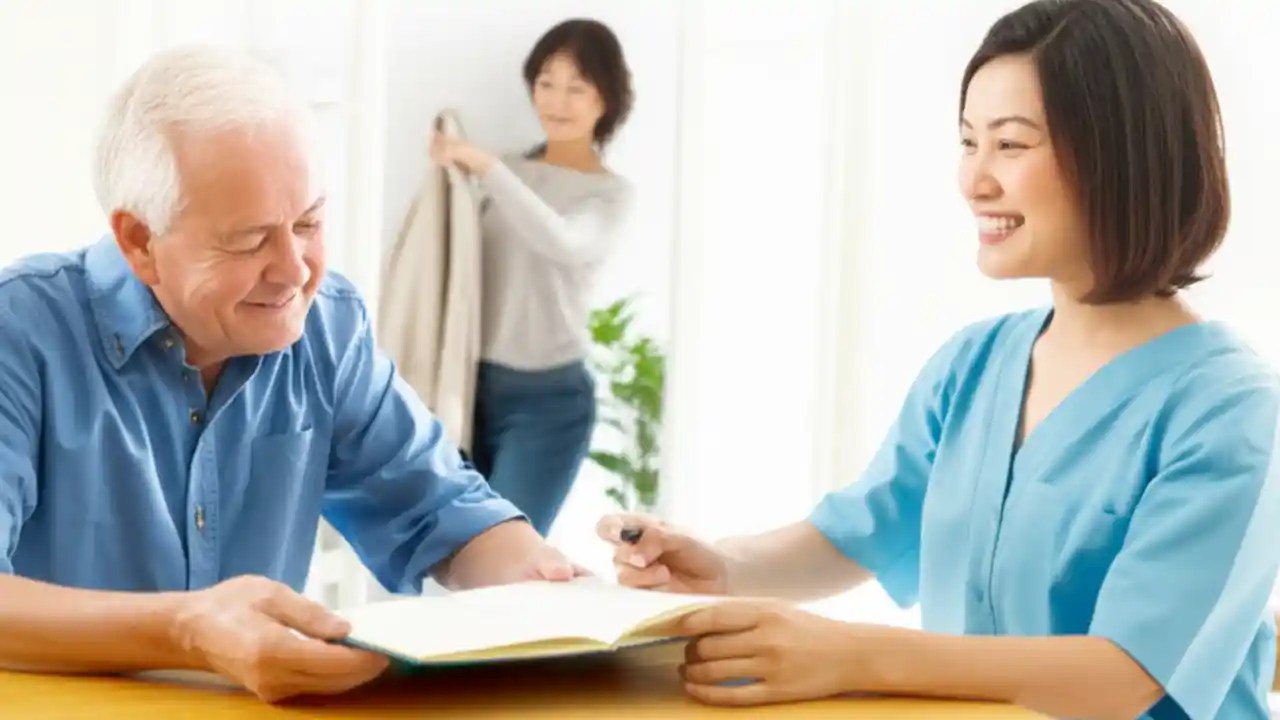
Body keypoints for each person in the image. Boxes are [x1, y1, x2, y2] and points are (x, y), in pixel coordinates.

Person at [598, 1, 1280, 717]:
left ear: (1124, 153)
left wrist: (849, 654)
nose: (974, 180)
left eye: (1011, 146)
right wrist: (724, 565)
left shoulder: (1230, 409)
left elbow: (1124, 675)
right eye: (968, 142)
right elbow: (858, 533)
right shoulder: (974, 366)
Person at [0, 45, 585, 703]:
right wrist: (187, 631)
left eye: (308, 222)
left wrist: (554, 586)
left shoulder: (328, 325)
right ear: (140, 241)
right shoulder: (19, 330)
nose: (296, 269)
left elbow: (443, 509)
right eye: (250, 241)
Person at [429, 18, 635, 536]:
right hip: (474, 386)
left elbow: (563, 241)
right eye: (546, 83)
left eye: (576, 87)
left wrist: (485, 166)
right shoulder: (507, 170)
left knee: (506, 552)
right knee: (455, 551)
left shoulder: (609, 194)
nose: (557, 101)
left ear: (604, 100)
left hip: (549, 401)